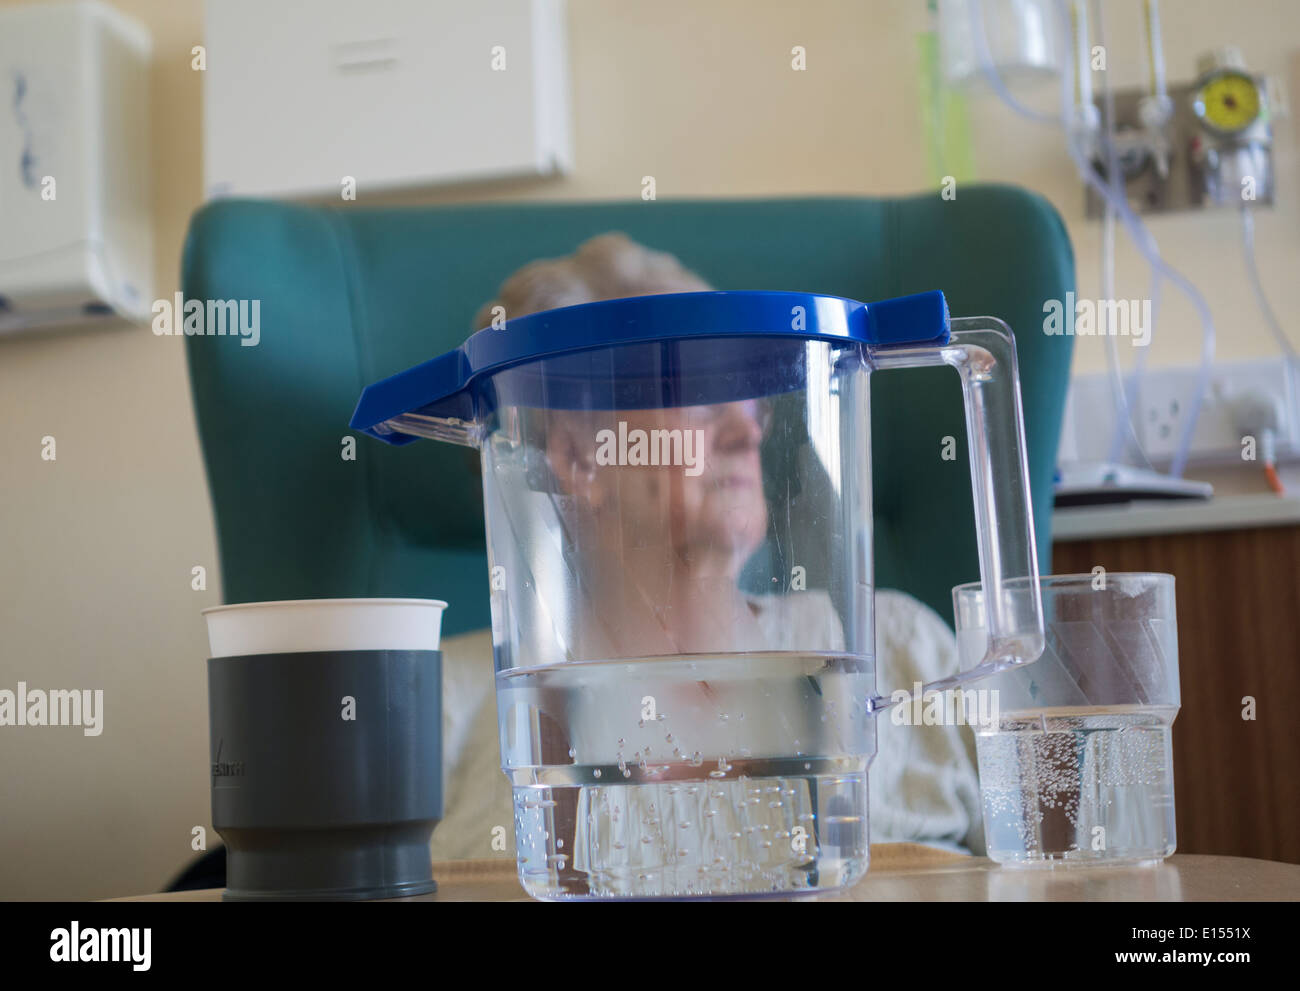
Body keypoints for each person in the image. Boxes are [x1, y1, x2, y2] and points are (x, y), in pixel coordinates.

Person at [428, 234, 985, 874]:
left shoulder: (900, 650)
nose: (745, 428)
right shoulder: (444, 704)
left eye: (747, 391)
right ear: (581, 455)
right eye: (698, 385)